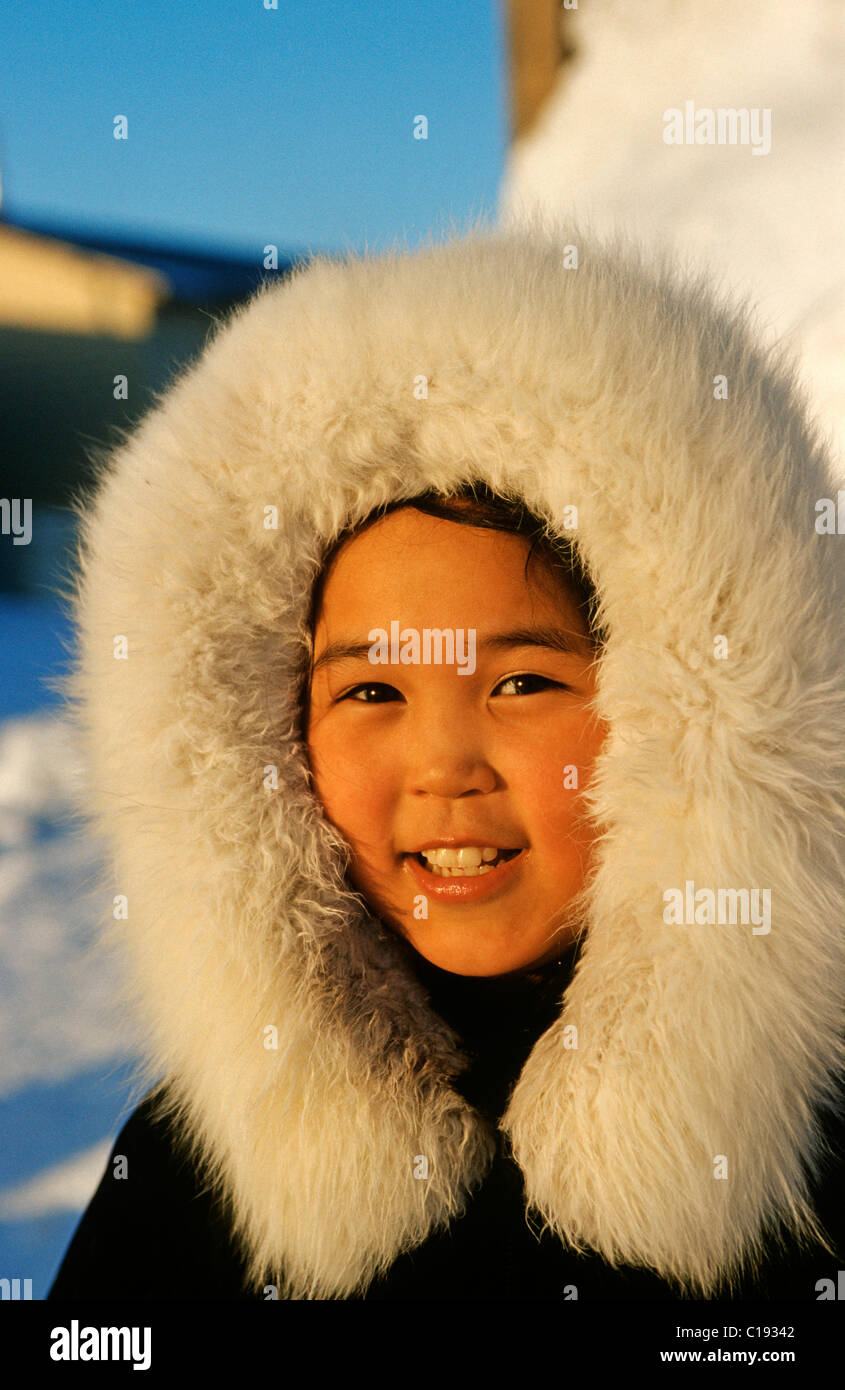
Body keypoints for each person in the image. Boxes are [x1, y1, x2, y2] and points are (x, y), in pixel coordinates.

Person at [48, 223, 845, 1301]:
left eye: (519, 683)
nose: (442, 766)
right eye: (371, 691)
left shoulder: (804, 1147)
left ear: (683, 719)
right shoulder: (196, 1184)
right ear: (267, 738)